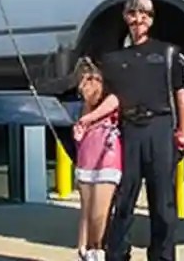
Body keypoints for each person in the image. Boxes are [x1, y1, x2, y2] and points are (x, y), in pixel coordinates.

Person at [98, 0, 184, 261]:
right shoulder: (114, 60)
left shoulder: (168, 53)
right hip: (129, 131)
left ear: (151, 20)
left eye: (145, 14)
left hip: (160, 128)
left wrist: (183, 131)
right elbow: (110, 99)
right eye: (133, 14)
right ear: (126, 18)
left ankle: (162, 256)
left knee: (163, 202)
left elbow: (180, 95)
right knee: (124, 198)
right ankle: (117, 253)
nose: (138, 19)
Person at [71, 57, 122, 261]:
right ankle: (85, 251)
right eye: (83, 82)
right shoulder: (83, 107)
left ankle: (97, 250)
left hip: (107, 160)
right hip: (86, 161)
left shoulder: (111, 101)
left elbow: (113, 103)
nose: (87, 87)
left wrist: (87, 120)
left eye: (91, 80)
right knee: (86, 211)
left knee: (99, 213)